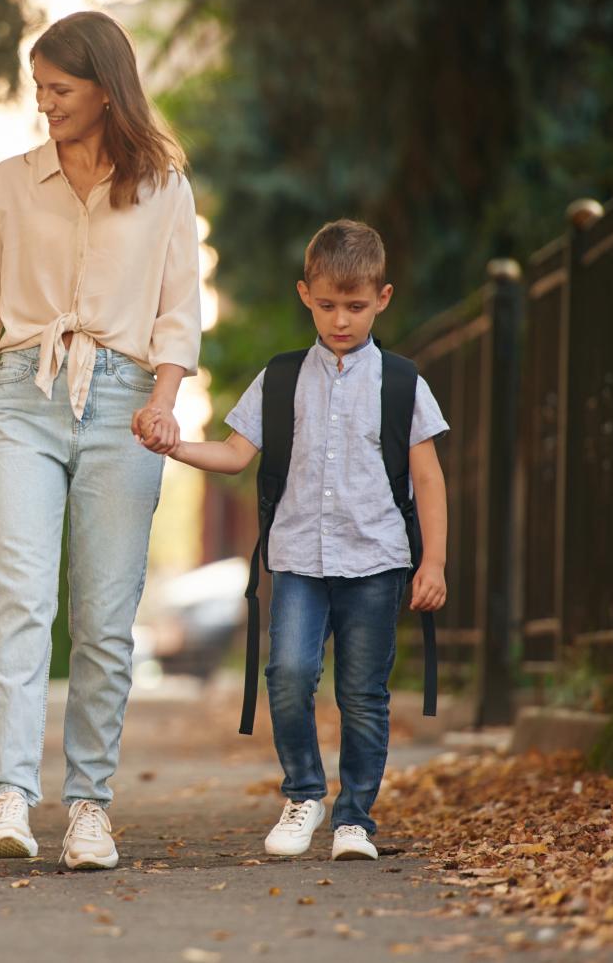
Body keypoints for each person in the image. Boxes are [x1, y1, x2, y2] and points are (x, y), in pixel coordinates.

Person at [0, 11, 201, 870]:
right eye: (39, 89)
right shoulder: (10, 183)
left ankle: (90, 808)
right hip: (22, 399)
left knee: (105, 620)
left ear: (106, 89)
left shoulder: (164, 187)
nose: (46, 105)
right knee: (21, 599)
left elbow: (179, 310)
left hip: (122, 402)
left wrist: (165, 399)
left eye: (60, 90)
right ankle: (9, 795)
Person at [142, 220, 448, 861]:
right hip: (299, 561)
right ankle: (304, 793)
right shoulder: (280, 379)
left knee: (363, 693)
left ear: (382, 299)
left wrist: (434, 563)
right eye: (329, 305)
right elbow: (233, 454)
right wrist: (174, 443)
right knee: (288, 674)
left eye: (356, 307)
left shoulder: (401, 383)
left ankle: (354, 818)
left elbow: (427, 475)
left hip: (377, 561)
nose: (342, 320)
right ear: (305, 294)